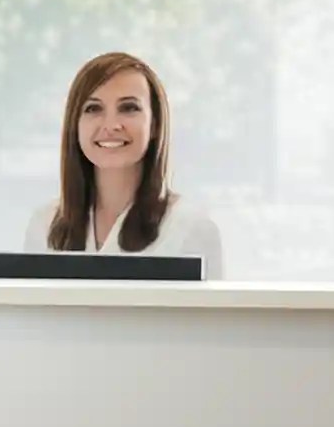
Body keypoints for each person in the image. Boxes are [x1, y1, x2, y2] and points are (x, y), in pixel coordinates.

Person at [23, 52, 224, 280]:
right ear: (74, 125)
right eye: (93, 109)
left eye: (129, 108)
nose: (111, 125)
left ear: (155, 124)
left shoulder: (191, 227)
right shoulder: (45, 225)